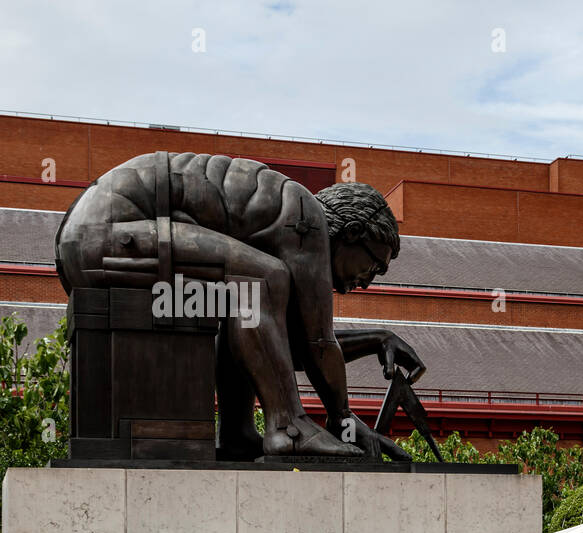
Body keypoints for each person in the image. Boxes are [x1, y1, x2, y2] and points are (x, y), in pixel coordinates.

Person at [56, 151, 418, 459]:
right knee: (262, 279)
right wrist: (341, 416)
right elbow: (317, 343)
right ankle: (288, 429)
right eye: (373, 266)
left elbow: (274, 349)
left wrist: (375, 339)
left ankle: (237, 433)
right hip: (106, 234)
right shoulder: (307, 219)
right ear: (352, 232)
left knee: (245, 297)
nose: (367, 281)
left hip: (90, 242)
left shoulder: (285, 215)